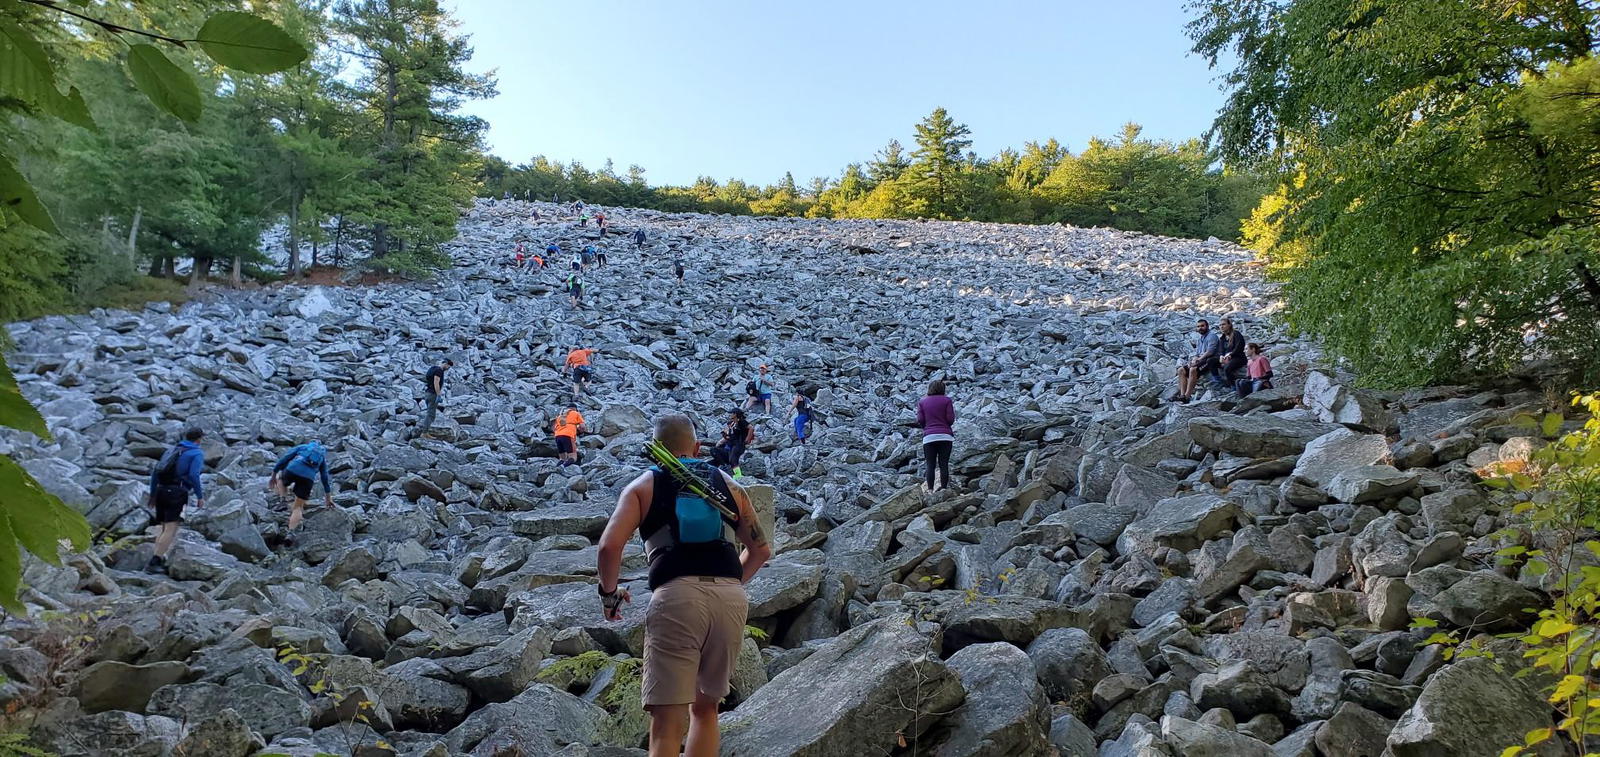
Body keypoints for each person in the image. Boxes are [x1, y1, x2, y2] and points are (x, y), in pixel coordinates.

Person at [595, 414, 769, 757]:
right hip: (730, 599)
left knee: (667, 722)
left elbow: (608, 547)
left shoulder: (643, 486)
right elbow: (761, 550)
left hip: (676, 599)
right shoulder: (731, 487)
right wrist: (728, 585)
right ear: (697, 447)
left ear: (656, 449)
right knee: (706, 710)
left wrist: (609, 594)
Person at [146, 428, 206, 573]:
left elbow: (156, 471)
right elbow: (193, 475)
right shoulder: (196, 453)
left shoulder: (171, 450)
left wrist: (153, 494)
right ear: (199, 439)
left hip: (161, 490)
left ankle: (159, 556)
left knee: (164, 527)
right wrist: (199, 495)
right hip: (177, 492)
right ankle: (155, 562)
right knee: (171, 529)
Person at [270, 440, 333, 533]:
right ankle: (291, 533)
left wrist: (274, 474)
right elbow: (324, 477)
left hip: (292, 470)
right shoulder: (321, 458)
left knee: (281, 480)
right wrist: (328, 498)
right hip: (308, 478)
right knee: (298, 507)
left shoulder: (303, 447)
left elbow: (285, 458)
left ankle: (283, 501)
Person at [917, 380, 956, 493]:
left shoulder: (922, 402)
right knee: (944, 464)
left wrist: (927, 427)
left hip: (929, 437)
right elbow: (950, 419)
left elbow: (920, 419)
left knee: (930, 465)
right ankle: (944, 489)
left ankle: (929, 490)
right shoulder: (947, 401)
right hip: (945, 436)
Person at [1175, 319, 1220, 403]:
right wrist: (1194, 360)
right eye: (1198, 326)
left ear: (1207, 326)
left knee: (1193, 369)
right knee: (1181, 370)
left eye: (1202, 326)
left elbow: (1210, 351)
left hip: (1210, 359)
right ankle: (1182, 395)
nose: (1200, 328)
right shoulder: (1200, 339)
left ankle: (1187, 396)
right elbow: (1197, 353)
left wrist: (1198, 360)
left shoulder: (1212, 336)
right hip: (1200, 360)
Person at [417, 358, 453, 438]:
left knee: (429, 412)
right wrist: (438, 394)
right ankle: (424, 433)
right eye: (448, 367)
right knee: (430, 414)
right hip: (433, 394)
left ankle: (425, 431)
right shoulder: (439, 371)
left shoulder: (432, 369)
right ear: (445, 364)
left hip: (427, 392)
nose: (448, 369)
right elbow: (436, 382)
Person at [712, 409, 754, 474]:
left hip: (739, 444)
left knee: (733, 459)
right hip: (731, 444)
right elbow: (728, 434)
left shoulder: (741, 421)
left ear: (735, 414)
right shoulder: (731, 423)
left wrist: (747, 439)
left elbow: (751, 428)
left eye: (731, 413)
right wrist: (721, 441)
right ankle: (725, 466)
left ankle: (738, 475)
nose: (730, 415)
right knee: (714, 450)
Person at [1211, 318, 1248, 389]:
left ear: (1229, 325)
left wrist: (1230, 355)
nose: (1221, 326)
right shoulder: (1222, 338)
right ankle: (1218, 380)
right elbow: (1221, 350)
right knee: (1211, 361)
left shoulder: (1236, 334)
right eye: (1220, 325)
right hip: (1226, 358)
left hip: (1238, 358)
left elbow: (1239, 347)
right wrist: (1221, 356)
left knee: (1227, 367)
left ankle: (1233, 385)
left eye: (1223, 324)